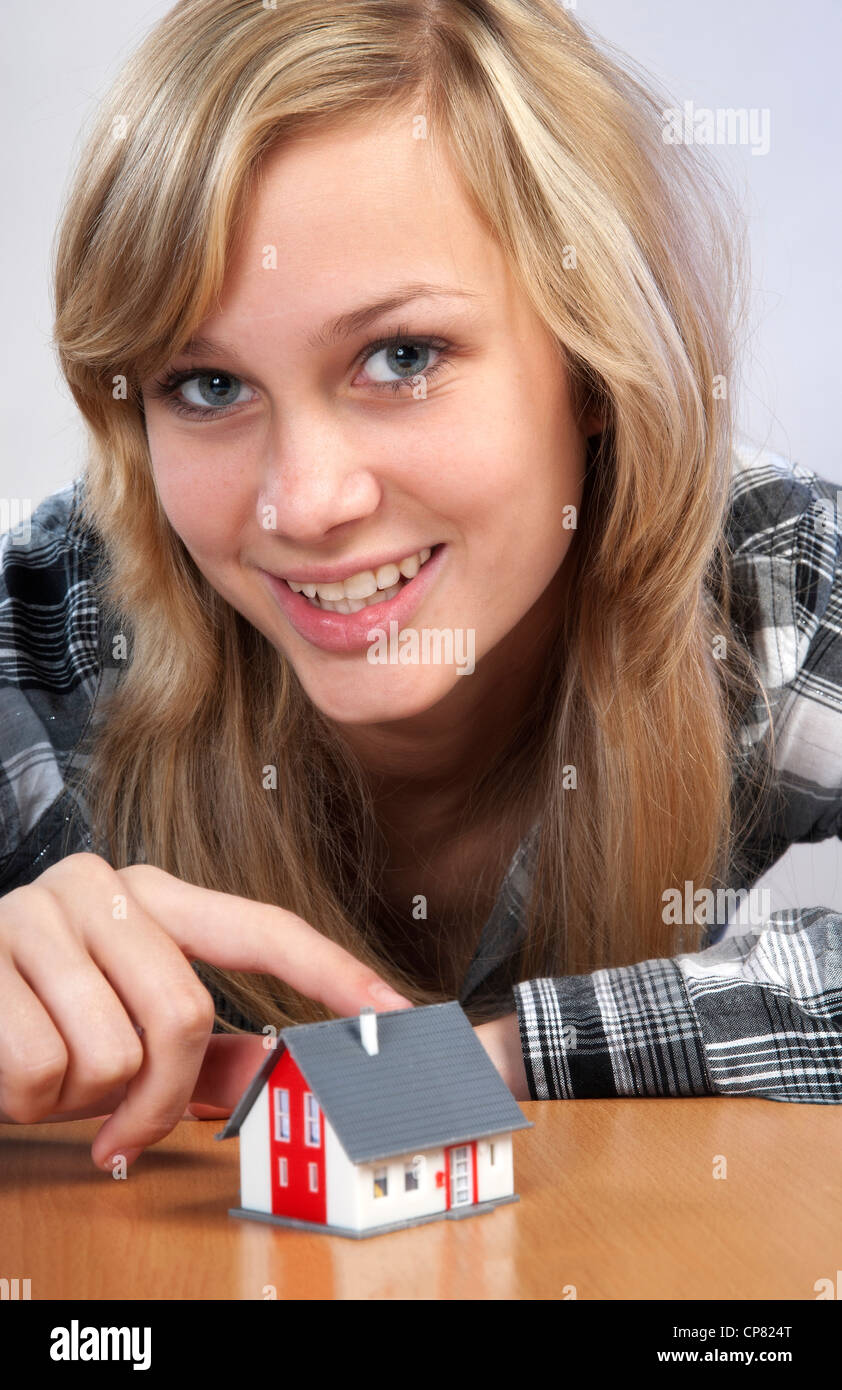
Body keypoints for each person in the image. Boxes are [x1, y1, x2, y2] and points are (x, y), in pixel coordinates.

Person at [1, 0, 839, 1173]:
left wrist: (480, 1063)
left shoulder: (763, 575)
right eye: (204, 384)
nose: (304, 501)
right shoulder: (45, 632)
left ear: (595, 365)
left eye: (401, 358)